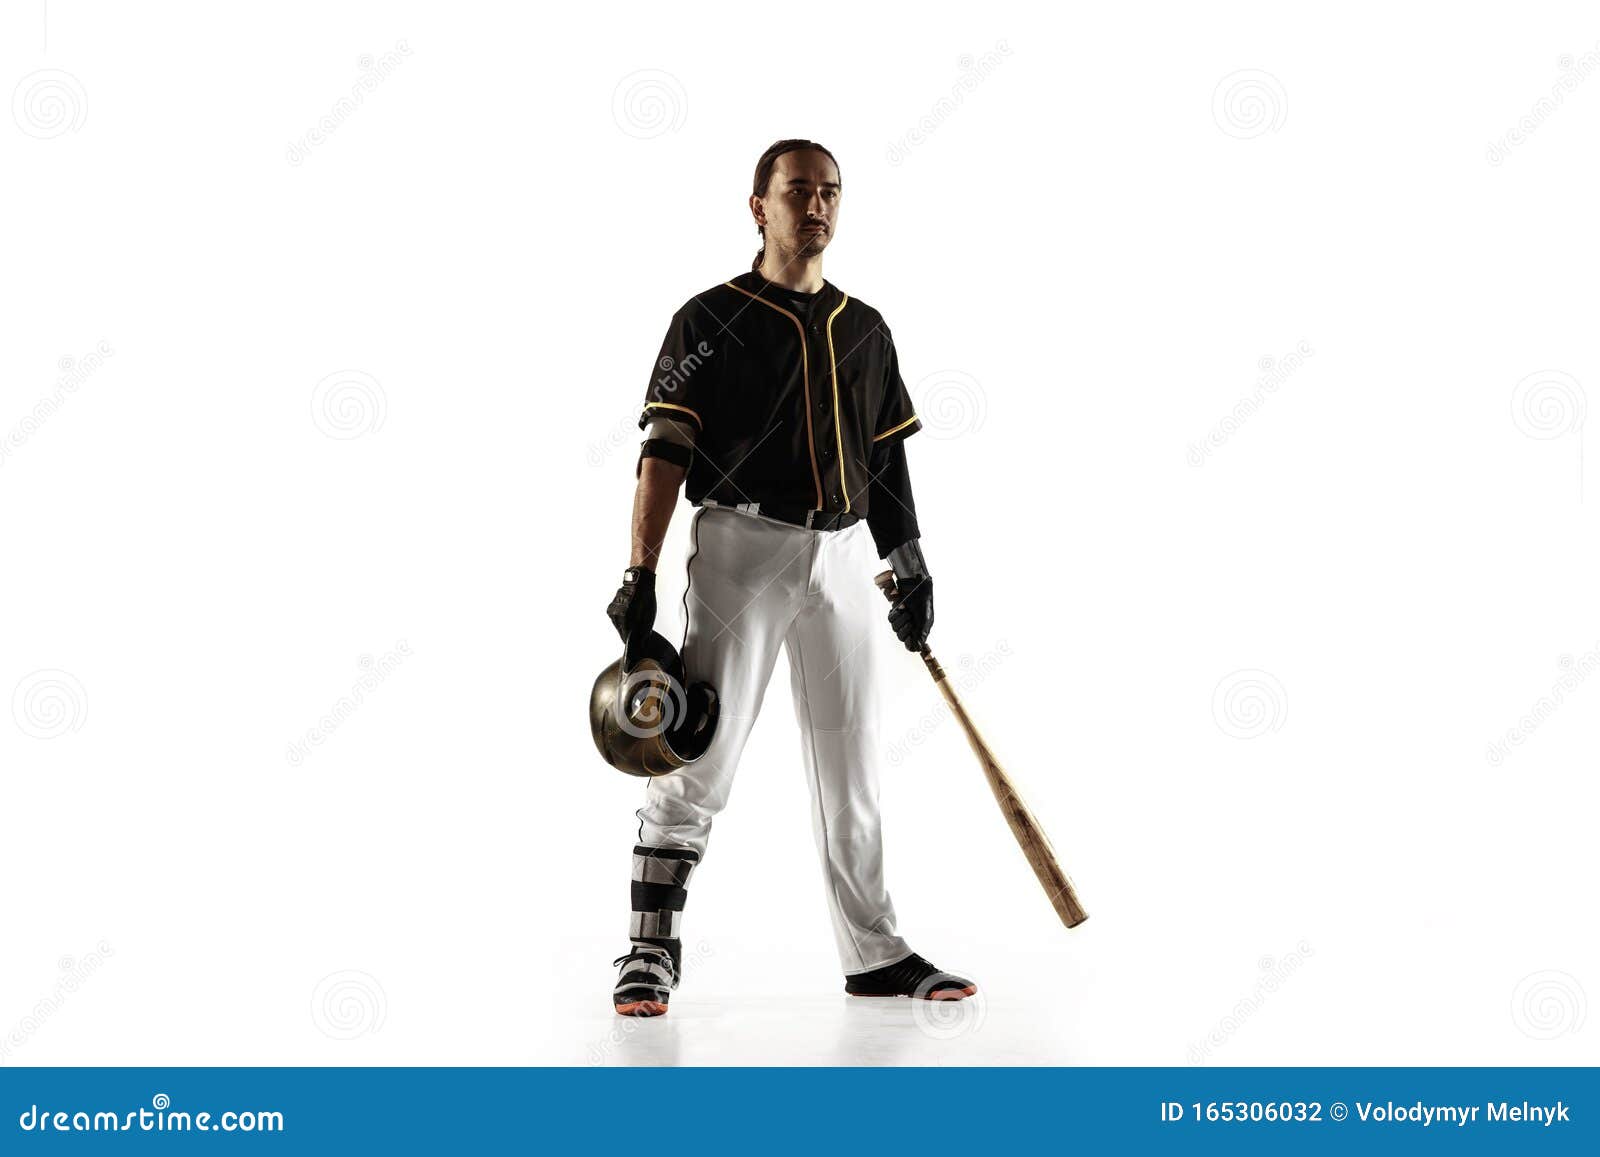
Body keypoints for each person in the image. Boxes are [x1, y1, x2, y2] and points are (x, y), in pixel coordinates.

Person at [605, 139, 974, 1017]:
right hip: (743, 546)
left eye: (830, 192)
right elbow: (665, 449)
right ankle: (649, 949)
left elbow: (885, 462)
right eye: (798, 190)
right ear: (758, 206)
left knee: (853, 759)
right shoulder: (707, 318)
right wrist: (640, 571)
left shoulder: (866, 326)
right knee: (701, 748)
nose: (817, 206)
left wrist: (909, 563)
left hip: (843, 555)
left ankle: (874, 952)